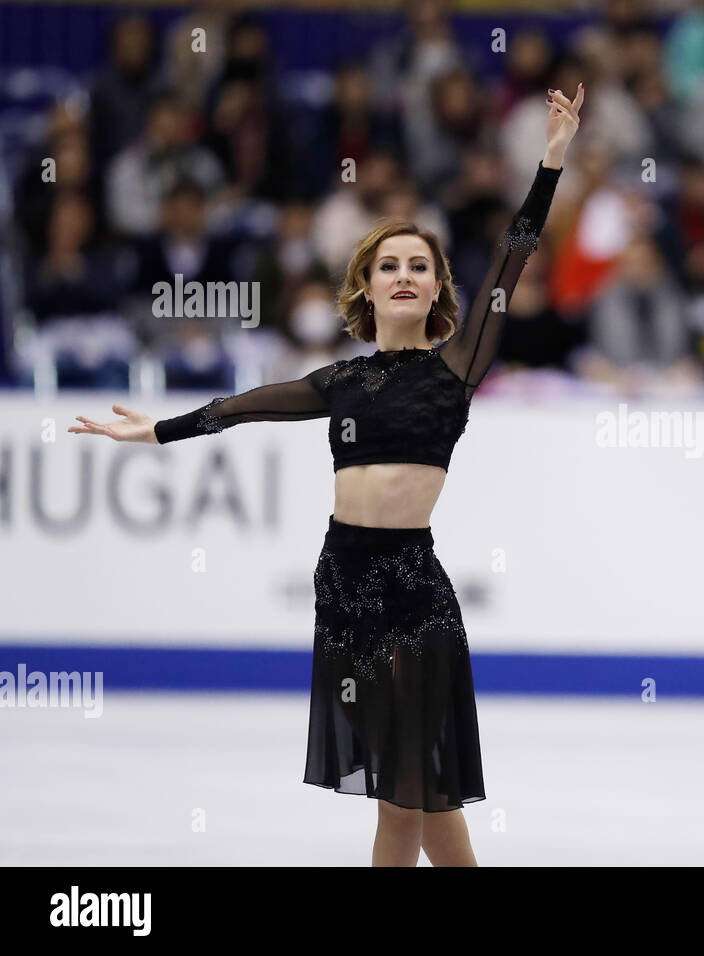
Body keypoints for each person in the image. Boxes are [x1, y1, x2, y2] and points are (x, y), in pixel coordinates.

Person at [69, 84, 584, 867]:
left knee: (405, 790)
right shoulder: (340, 381)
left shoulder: (458, 368)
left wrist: (549, 162)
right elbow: (246, 407)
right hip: (344, 579)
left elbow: (514, 256)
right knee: (425, 791)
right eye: (390, 266)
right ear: (367, 286)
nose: (406, 275)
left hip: (414, 587)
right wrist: (161, 429)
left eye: (421, 265)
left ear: (441, 287)